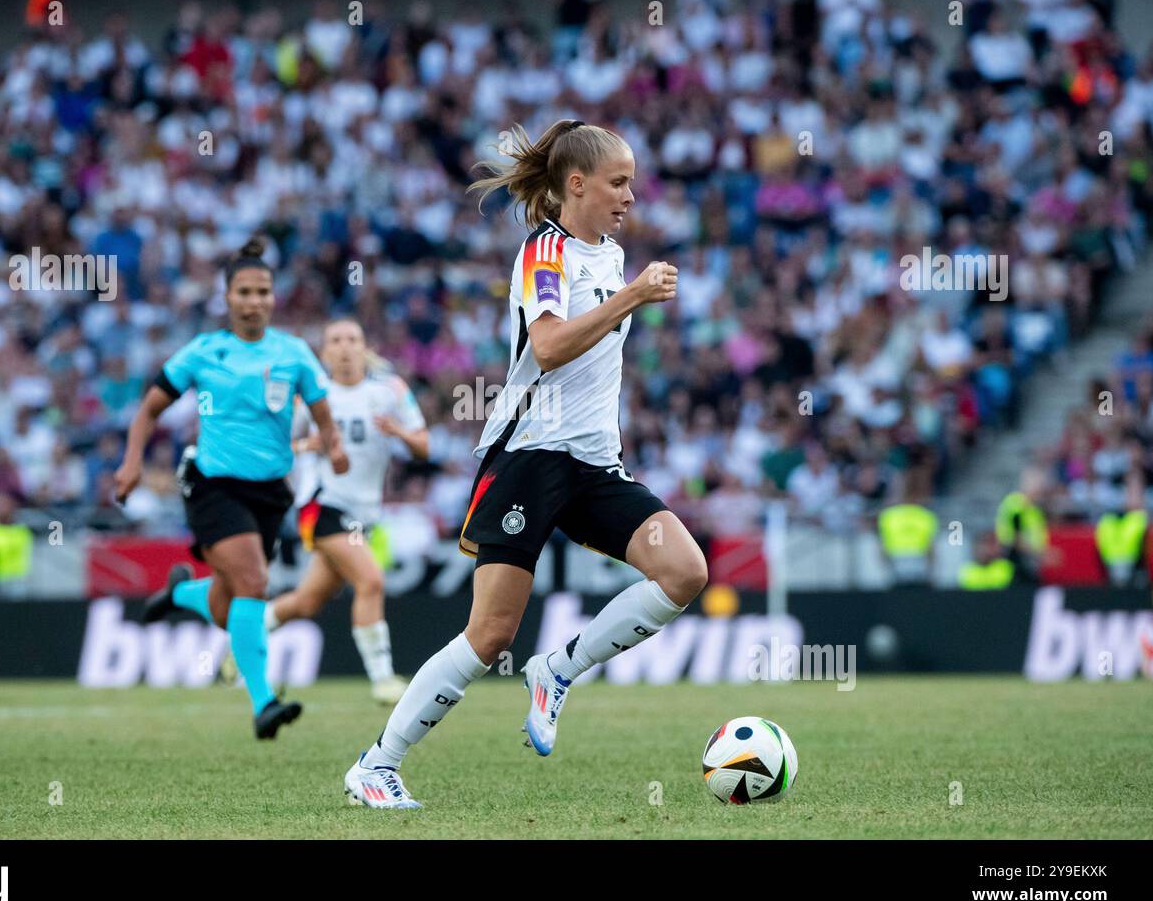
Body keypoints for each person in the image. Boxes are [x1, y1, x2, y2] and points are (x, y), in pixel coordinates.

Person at [343, 119, 708, 808]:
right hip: (529, 457)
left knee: (686, 570)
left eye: (632, 181)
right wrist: (634, 295)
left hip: (595, 463)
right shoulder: (546, 252)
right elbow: (545, 347)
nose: (632, 195)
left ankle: (558, 669)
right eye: (619, 182)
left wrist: (626, 288)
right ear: (577, 185)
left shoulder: (610, 253)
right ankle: (377, 764)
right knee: (490, 633)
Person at [114, 238, 348, 740]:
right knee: (254, 583)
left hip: (270, 493)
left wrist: (335, 446)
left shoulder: (294, 353)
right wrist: (132, 462)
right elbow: (149, 409)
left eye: (263, 291)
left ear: (273, 297)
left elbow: (326, 417)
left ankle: (181, 593)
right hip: (213, 485)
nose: (254, 300)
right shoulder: (204, 352)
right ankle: (264, 702)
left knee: (228, 606)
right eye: (244, 291)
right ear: (227, 297)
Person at [262, 318, 428, 705]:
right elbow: (277, 449)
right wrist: (310, 446)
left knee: (307, 601)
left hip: (364, 515)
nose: (344, 347)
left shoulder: (389, 391)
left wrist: (399, 433)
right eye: (335, 340)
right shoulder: (312, 396)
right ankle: (383, 679)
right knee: (370, 580)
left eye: (352, 339)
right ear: (325, 352)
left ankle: (243, 638)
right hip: (322, 504)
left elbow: (424, 446)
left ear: (364, 346)